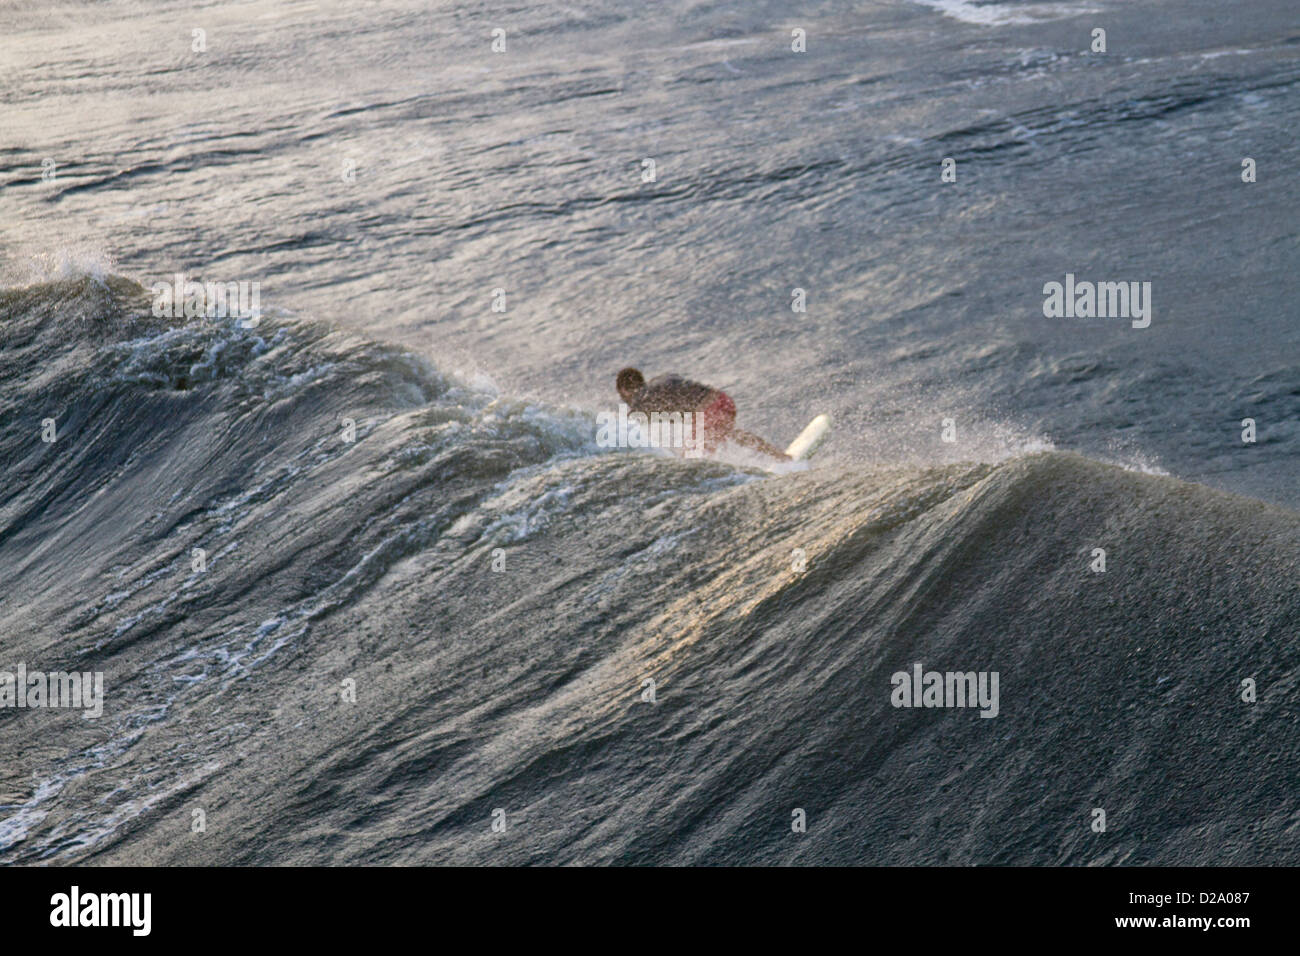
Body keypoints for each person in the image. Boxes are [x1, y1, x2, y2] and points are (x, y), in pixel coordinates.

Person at [615, 367, 789, 459]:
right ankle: (780, 456)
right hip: (723, 399)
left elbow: (628, 424)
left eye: (623, 396)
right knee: (731, 434)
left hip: (709, 411)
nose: (625, 400)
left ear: (625, 389)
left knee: (694, 458)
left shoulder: (641, 398)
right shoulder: (658, 382)